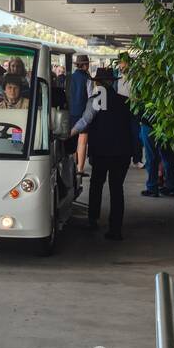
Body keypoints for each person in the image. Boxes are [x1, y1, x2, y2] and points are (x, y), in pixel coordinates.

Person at [69, 67, 133, 240]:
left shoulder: (97, 100)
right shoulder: (124, 101)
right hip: (121, 152)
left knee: (97, 185)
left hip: (102, 152)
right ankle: (115, 229)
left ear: (98, 82)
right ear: (112, 82)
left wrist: (68, 134)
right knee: (116, 189)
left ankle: (93, 219)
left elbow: (84, 122)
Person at [68, 54, 92, 127]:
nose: (88, 66)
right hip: (83, 112)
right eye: (88, 64)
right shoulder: (87, 78)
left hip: (72, 111)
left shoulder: (71, 77)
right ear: (84, 65)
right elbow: (90, 95)